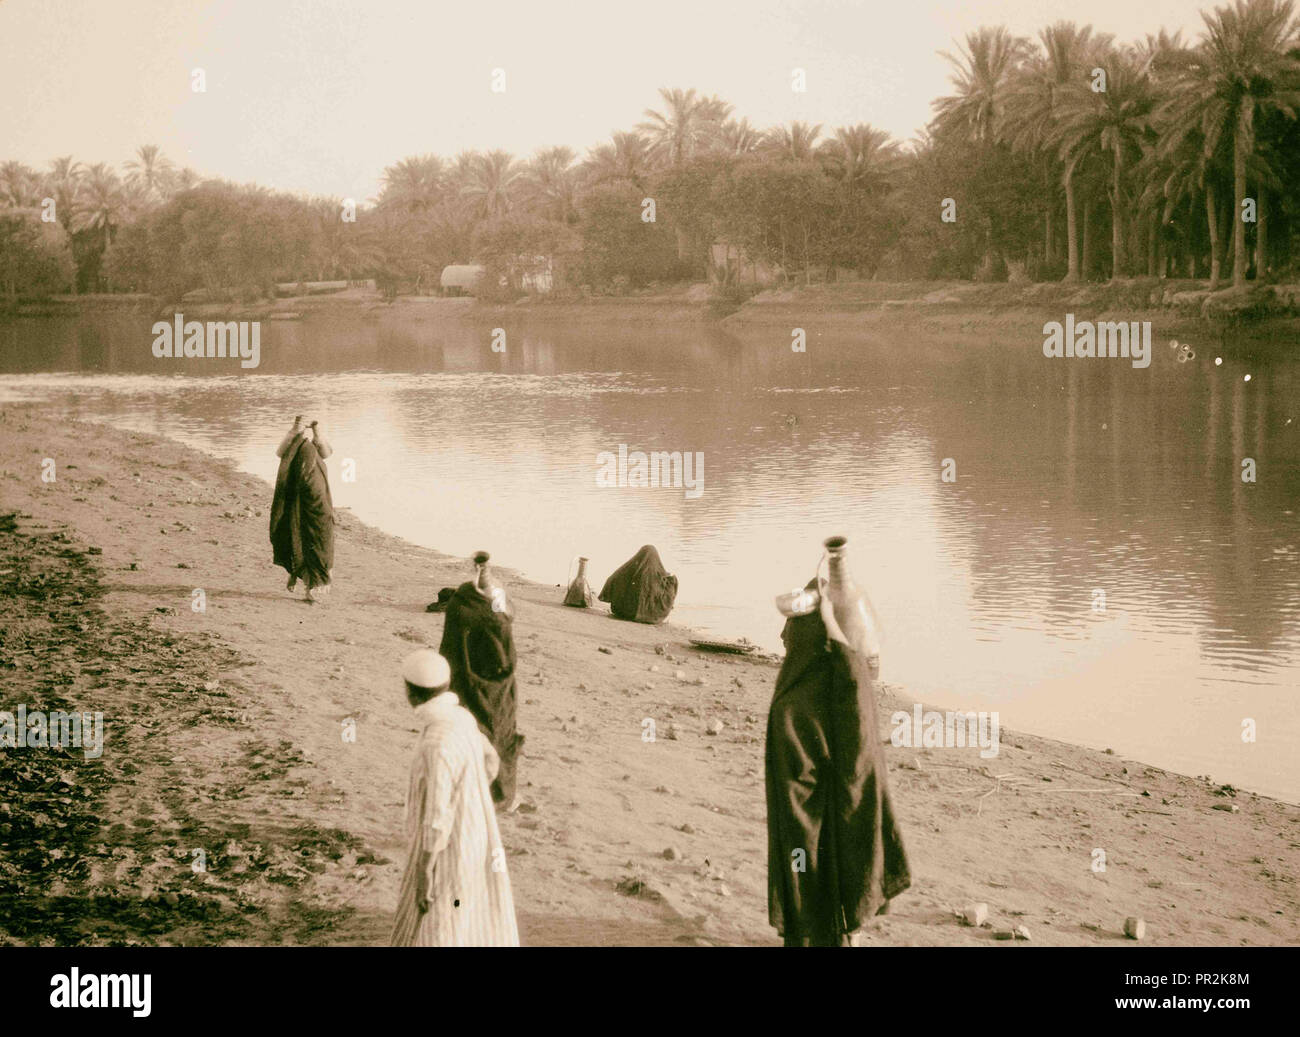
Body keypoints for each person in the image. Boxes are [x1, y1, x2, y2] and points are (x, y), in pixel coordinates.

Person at [766, 577, 910, 947]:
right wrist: (832, 622)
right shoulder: (837, 689)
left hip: (799, 827)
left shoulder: (796, 692)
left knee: (800, 866)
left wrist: (827, 616)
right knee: (827, 865)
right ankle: (843, 932)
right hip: (822, 817)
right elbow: (854, 676)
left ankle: (814, 932)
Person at [390, 649, 520, 947]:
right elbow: (491, 761)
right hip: (475, 830)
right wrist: (472, 799)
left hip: (446, 846)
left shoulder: (436, 743)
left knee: (439, 922)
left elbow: (437, 816)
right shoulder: (461, 718)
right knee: (473, 918)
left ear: (410, 693)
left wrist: (425, 868)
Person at [438, 552, 522, 810]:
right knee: (497, 735)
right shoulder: (494, 611)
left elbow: (448, 648)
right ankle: (497, 795)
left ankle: (463, 790)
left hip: (460, 682)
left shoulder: (460, 601)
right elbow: (505, 655)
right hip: (492, 689)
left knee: (465, 737)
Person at [269, 416, 334, 601]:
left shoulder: (308, 453)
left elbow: (326, 452)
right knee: (305, 541)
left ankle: (314, 585)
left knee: (317, 543)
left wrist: (317, 431)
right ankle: (311, 584)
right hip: (305, 503)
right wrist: (296, 429)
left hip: (316, 504)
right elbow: (280, 452)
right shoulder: (301, 452)